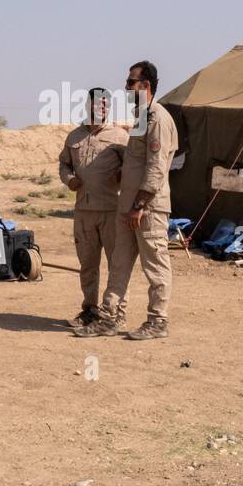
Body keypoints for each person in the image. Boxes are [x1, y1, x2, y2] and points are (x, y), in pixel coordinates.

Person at [73, 60, 178, 340]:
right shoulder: (141, 118)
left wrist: (140, 204)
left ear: (145, 86)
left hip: (147, 209)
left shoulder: (158, 118)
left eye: (130, 82)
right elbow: (136, 162)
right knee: (119, 264)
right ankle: (109, 318)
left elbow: (156, 167)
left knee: (155, 265)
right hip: (127, 207)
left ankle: (158, 321)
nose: (126, 86)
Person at [59, 88, 129, 329]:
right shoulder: (74, 137)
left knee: (116, 264)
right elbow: (64, 165)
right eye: (96, 105)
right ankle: (89, 310)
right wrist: (70, 180)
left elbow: (132, 167)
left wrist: (122, 175)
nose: (101, 109)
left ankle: (116, 313)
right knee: (88, 264)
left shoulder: (120, 137)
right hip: (84, 212)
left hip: (112, 210)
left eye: (105, 106)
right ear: (87, 106)